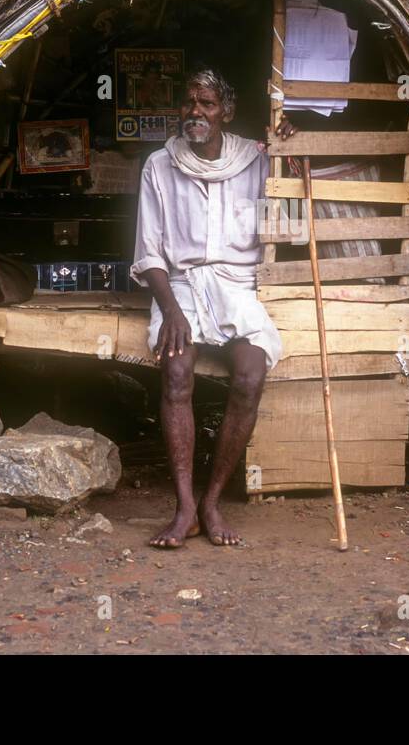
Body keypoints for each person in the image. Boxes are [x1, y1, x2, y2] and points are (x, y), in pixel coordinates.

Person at [132, 68, 297, 547]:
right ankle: (184, 508)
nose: (195, 113)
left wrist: (289, 147)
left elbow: (292, 200)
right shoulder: (159, 165)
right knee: (177, 372)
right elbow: (149, 253)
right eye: (189, 103)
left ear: (225, 111)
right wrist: (172, 311)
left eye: (206, 104)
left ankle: (212, 501)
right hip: (179, 285)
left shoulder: (256, 160)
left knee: (250, 375)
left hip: (237, 286)